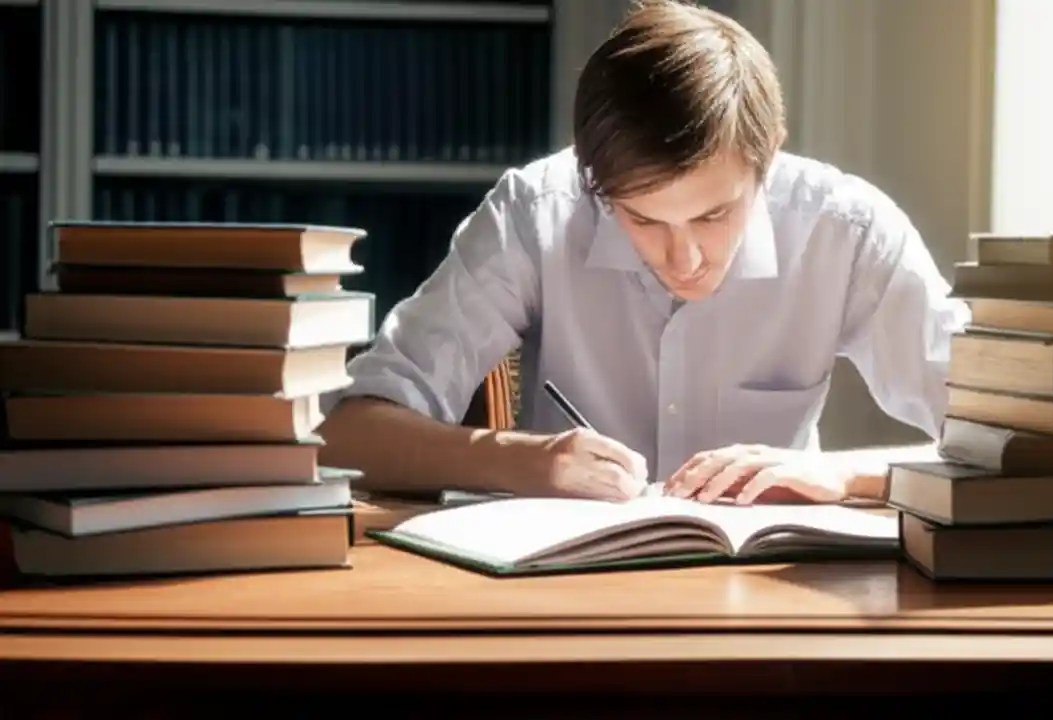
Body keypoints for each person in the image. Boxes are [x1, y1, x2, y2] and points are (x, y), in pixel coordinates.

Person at [316, 0, 969, 506]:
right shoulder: (536, 212)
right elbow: (350, 432)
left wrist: (845, 474)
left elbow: (1013, 441)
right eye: (642, 218)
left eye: (714, 214)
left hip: (772, 594)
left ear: (768, 159)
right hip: (567, 593)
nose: (682, 256)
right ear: (594, 184)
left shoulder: (845, 229)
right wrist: (524, 460)